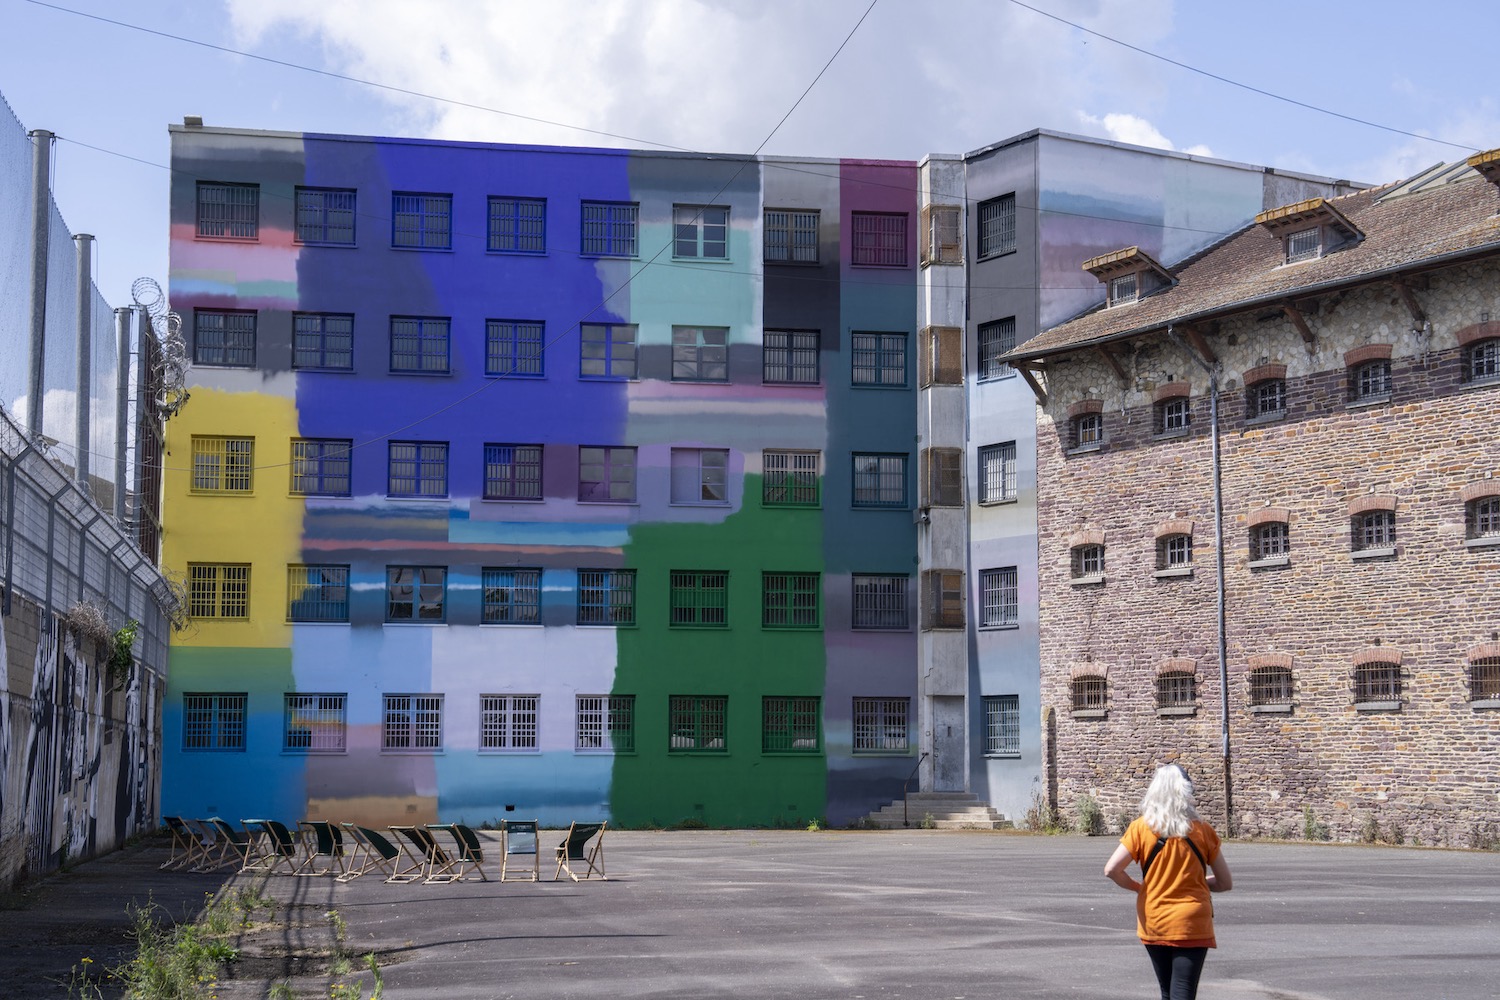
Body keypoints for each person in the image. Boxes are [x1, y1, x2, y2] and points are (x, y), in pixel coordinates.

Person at [1104, 764, 1233, 1000]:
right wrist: (1196, 882)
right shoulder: (1203, 830)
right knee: (1183, 992)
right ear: (1187, 791)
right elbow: (1225, 882)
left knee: (1167, 992)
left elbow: (1112, 869)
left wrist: (1140, 888)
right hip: (1192, 923)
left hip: (1155, 919)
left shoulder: (1140, 828)